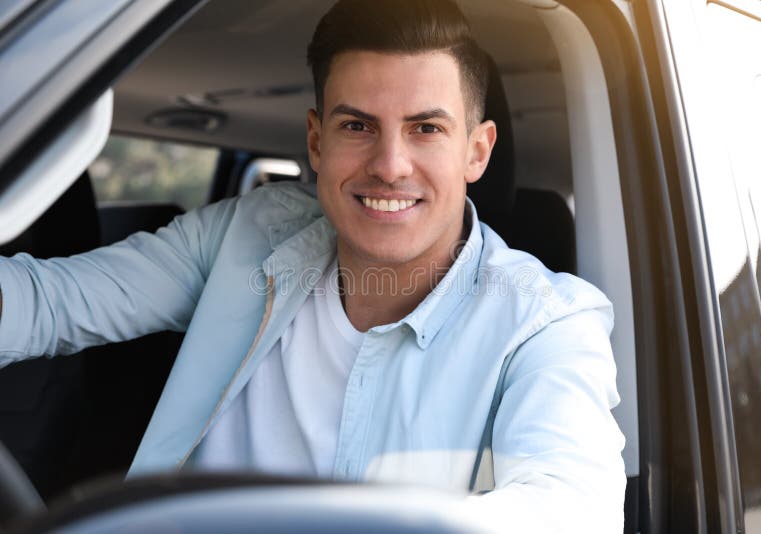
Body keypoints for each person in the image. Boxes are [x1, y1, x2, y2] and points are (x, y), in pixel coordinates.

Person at [0, 0, 626, 531]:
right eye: (358, 125)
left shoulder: (545, 325)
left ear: (477, 150)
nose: (390, 165)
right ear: (317, 142)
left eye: (425, 129)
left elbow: (567, 507)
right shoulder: (249, 235)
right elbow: (49, 305)